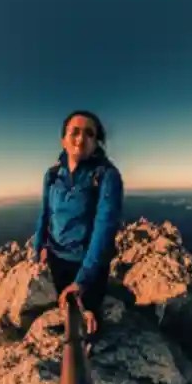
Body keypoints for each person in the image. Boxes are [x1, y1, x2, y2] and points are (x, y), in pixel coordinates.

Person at [31, 110, 124, 351]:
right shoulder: (52, 175)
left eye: (89, 134)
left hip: (89, 262)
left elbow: (104, 230)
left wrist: (83, 280)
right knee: (65, 305)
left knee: (88, 319)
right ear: (63, 139)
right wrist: (39, 248)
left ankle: (87, 353)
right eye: (75, 132)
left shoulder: (107, 176)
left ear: (96, 142)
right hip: (57, 258)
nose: (81, 139)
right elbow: (45, 213)